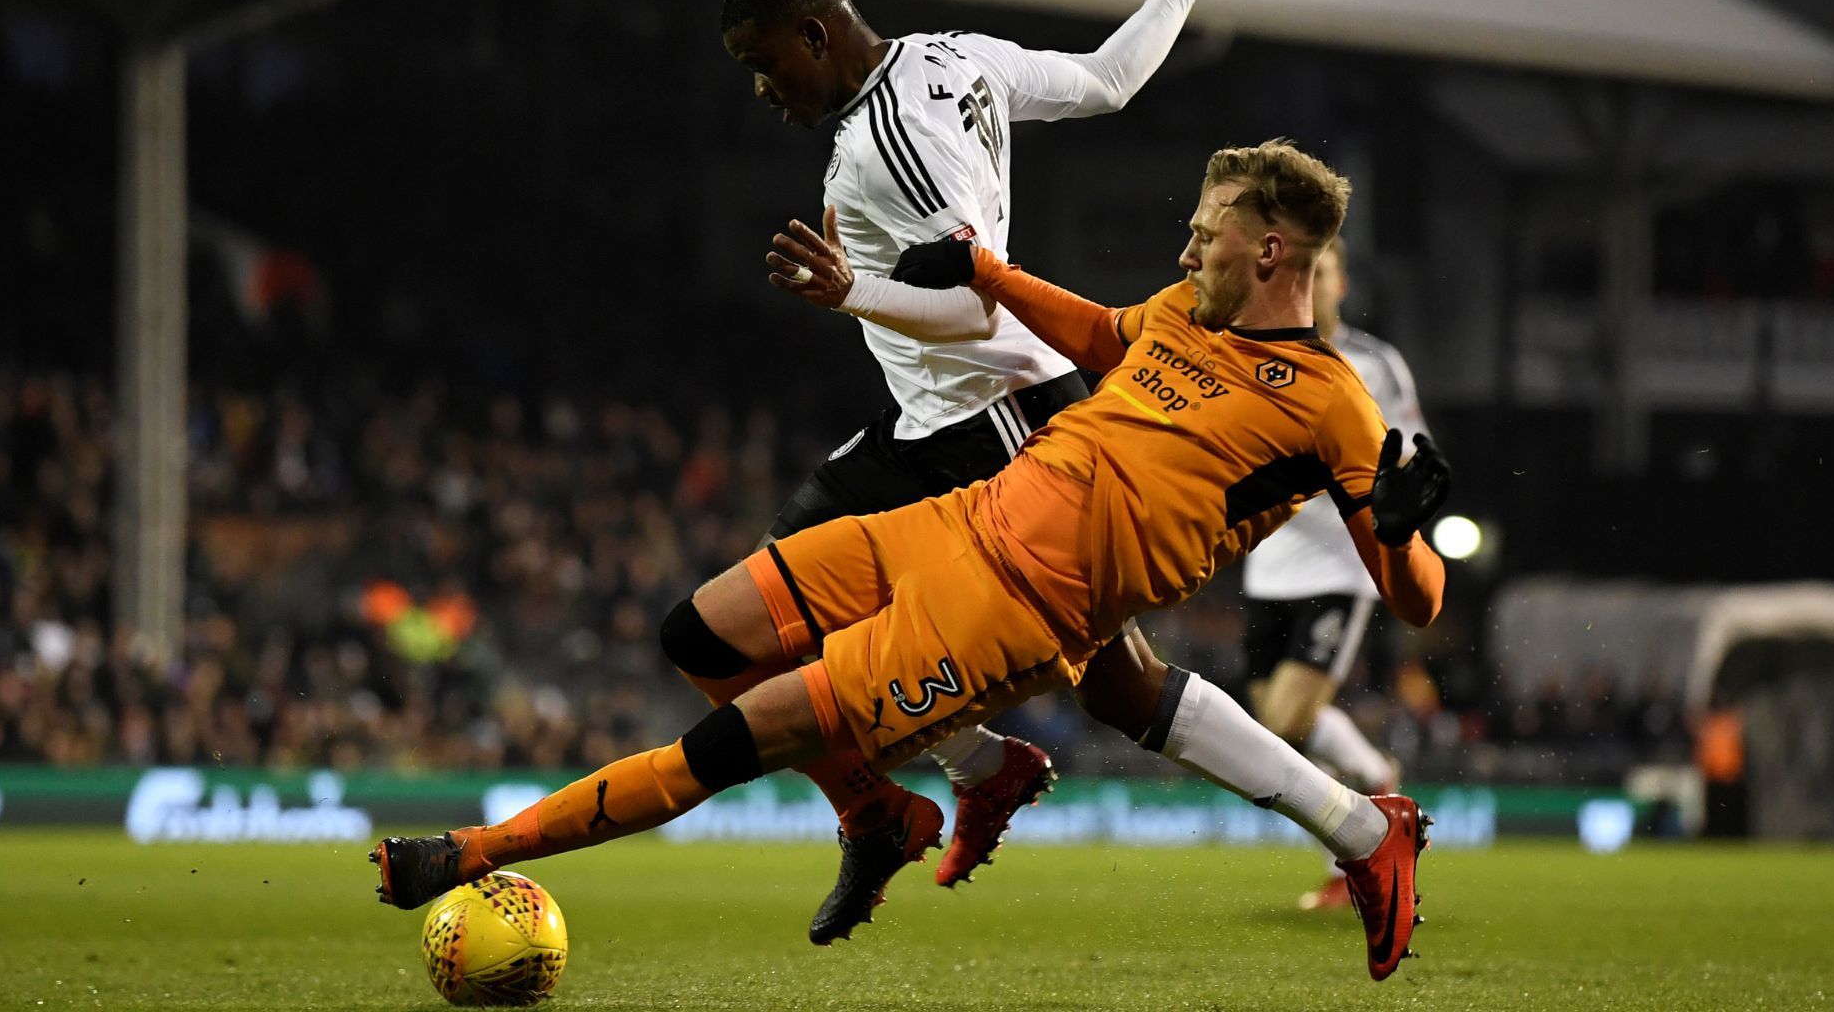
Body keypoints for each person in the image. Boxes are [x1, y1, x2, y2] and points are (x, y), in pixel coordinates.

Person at [374, 141, 1452, 980]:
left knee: (727, 741)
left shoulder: (1332, 408)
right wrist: (989, 272)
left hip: (1012, 617)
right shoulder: (1182, 313)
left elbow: (1414, 603)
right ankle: (911, 798)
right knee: (703, 632)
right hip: (954, 521)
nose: (1184, 252)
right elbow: (1103, 336)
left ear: (1268, 250)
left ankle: (469, 855)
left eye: (1203, 233)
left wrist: (1402, 534)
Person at [701, 0, 1262, 943]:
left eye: (762, 62)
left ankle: (1355, 828)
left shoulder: (898, 136)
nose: (759, 88)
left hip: (1002, 413)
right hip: (924, 425)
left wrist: (850, 292)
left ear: (814, 33)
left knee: (1117, 683)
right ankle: (946, 782)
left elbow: (977, 304)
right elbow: (1105, 81)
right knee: (748, 621)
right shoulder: (952, 58)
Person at [1236, 236, 1429, 909]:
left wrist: (1377, 492)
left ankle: (1373, 813)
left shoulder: (1375, 364)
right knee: (1275, 732)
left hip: (1339, 564)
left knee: (1286, 724)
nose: (1309, 284)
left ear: (1341, 285)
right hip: (1266, 562)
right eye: (1299, 272)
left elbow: (1413, 453)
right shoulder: (1257, 354)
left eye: (1321, 272)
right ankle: (1370, 801)